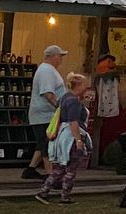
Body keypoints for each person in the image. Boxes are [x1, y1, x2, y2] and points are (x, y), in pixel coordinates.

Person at [36, 73, 92, 204]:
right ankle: (65, 196)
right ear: (78, 85)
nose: (86, 87)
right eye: (84, 85)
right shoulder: (73, 101)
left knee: (60, 168)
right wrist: (78, 141)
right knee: (71, 168)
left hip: (62, 136)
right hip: (70, 138)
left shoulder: (65, 98)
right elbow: (73, 122)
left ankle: (44, 191)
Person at [24, 43, 68, 180]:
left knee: (42, 142)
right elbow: (48, 93)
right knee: (47, 144)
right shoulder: (46, 71)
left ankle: (30, 169)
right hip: (44, 115)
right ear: (53, 56)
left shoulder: (48, 70)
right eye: (60, 56)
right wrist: (60, 107)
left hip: (46, 114)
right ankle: (51, 175)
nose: (61, 59)